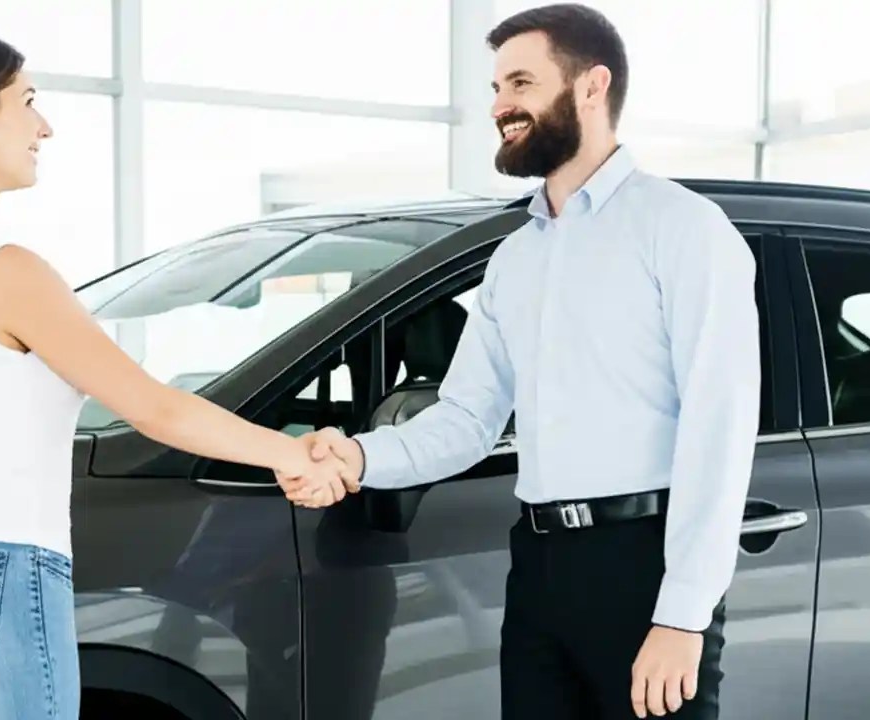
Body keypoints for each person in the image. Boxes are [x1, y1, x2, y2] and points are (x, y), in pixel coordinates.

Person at [283, 4, 760, 720]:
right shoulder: (516, 257)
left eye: (521, 83)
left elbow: (719, 430)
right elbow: (468, 418)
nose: (501, 106)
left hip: (643, 565)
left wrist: (684, 614)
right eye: (497, 89)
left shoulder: (684, 229)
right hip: (539, 566)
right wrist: (354, 457)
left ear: (591, 86)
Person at [0, 28, 351, 720]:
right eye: (27, 101)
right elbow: (154, 409)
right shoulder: (6, 272)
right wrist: (291, 453)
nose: (44, 126)